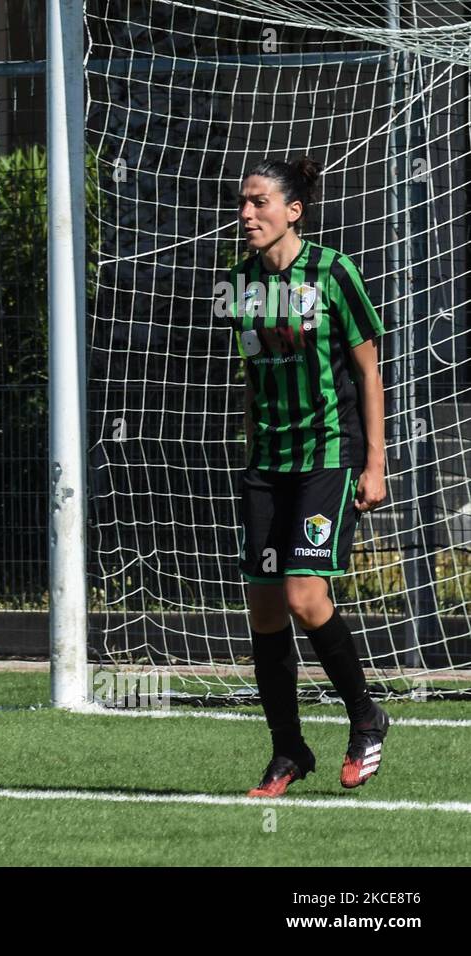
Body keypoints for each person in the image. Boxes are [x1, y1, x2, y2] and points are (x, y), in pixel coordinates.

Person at [225, 158, 388, 797]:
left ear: (294, 210)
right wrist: (250, 450)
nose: (247, 214)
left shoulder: (334, 271)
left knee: (304, 598)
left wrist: (374, 464)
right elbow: (253, 374)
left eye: (260, 202)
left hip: (327, 458)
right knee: (264, 610)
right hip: (267, 465)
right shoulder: (239, 283)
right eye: (243, 203)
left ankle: (366, 717)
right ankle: (288, 750)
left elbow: (368, 370)